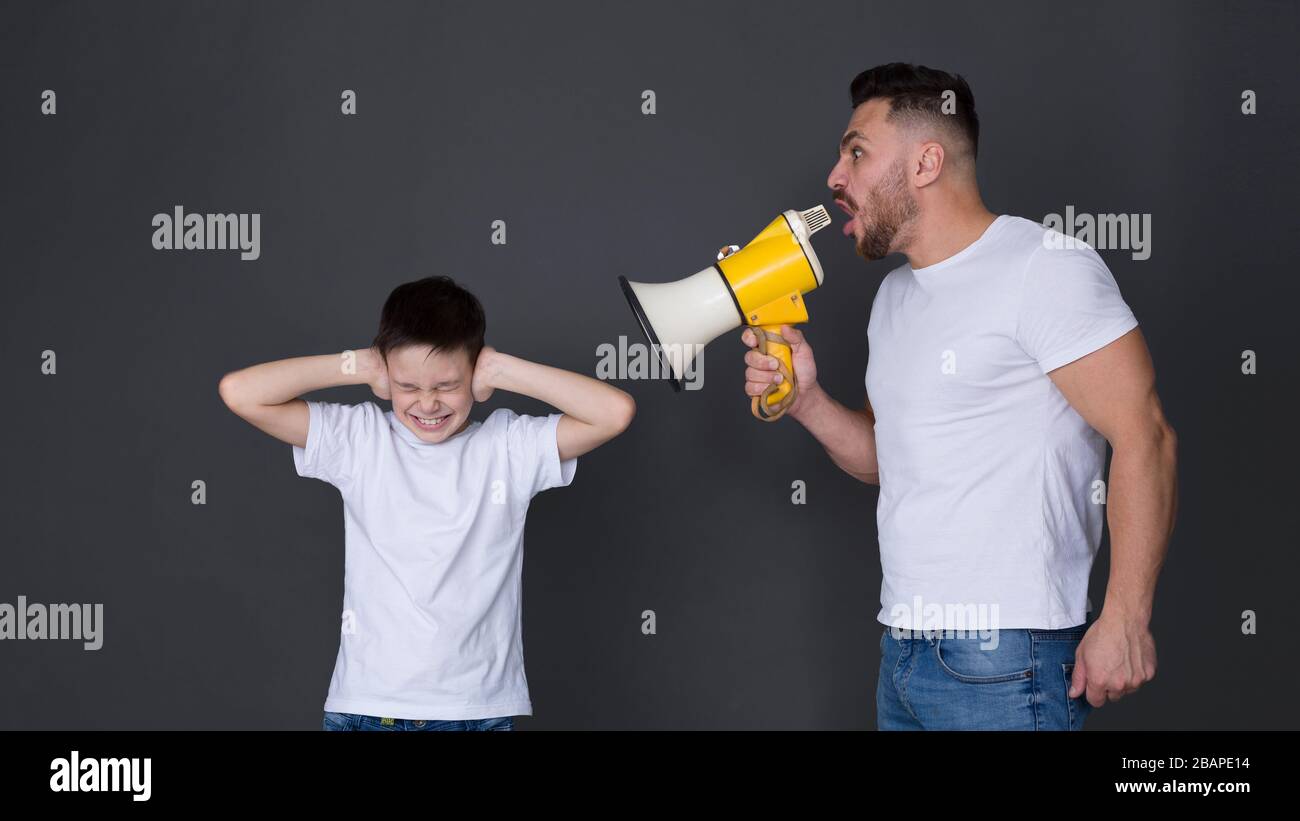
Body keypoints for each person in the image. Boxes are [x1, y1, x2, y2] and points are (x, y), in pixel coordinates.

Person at [742, 63, 1178, 730]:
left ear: (926, 162)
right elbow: (890, 460)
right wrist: (807, 401)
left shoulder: (1046, 267)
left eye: (856, 152)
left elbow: (1145, 434)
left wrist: (1124, 617)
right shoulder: (894, 298)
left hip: (1009, 659)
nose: (835, 176)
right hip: (904, 652)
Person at [219, 275, 635, 730]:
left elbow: (613, 412)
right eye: (408, 387)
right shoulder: (360, 439)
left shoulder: (508, 447)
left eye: (447, 385)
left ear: (475, 376)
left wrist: (501, 369)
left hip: (475, 713)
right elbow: (240, 393)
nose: (429, 403)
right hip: (368, 710)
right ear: (387, 378)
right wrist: (359, 365)